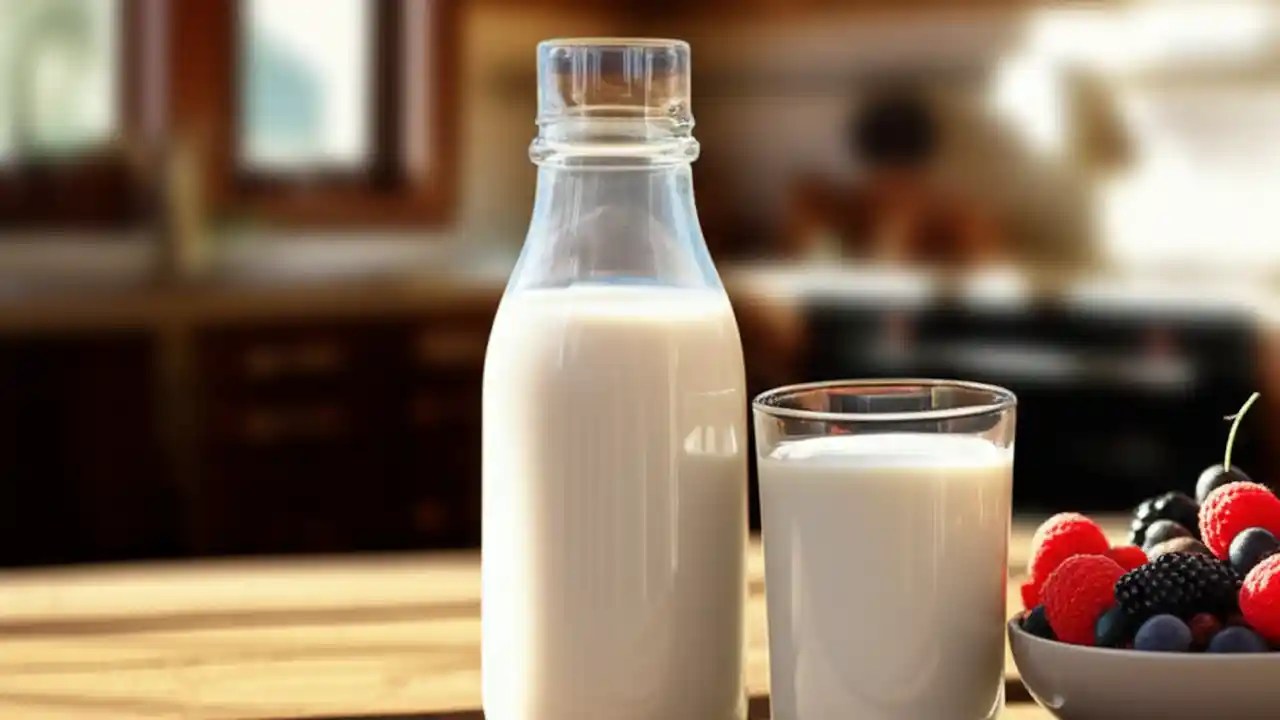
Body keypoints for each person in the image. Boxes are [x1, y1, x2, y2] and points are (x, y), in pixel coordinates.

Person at [783, 86, 1003, 267]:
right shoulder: (832, 208)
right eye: (885, 177)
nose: (893, 189)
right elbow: (814, 269)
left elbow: (992, 276)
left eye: (903, 178)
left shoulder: (957, 221)